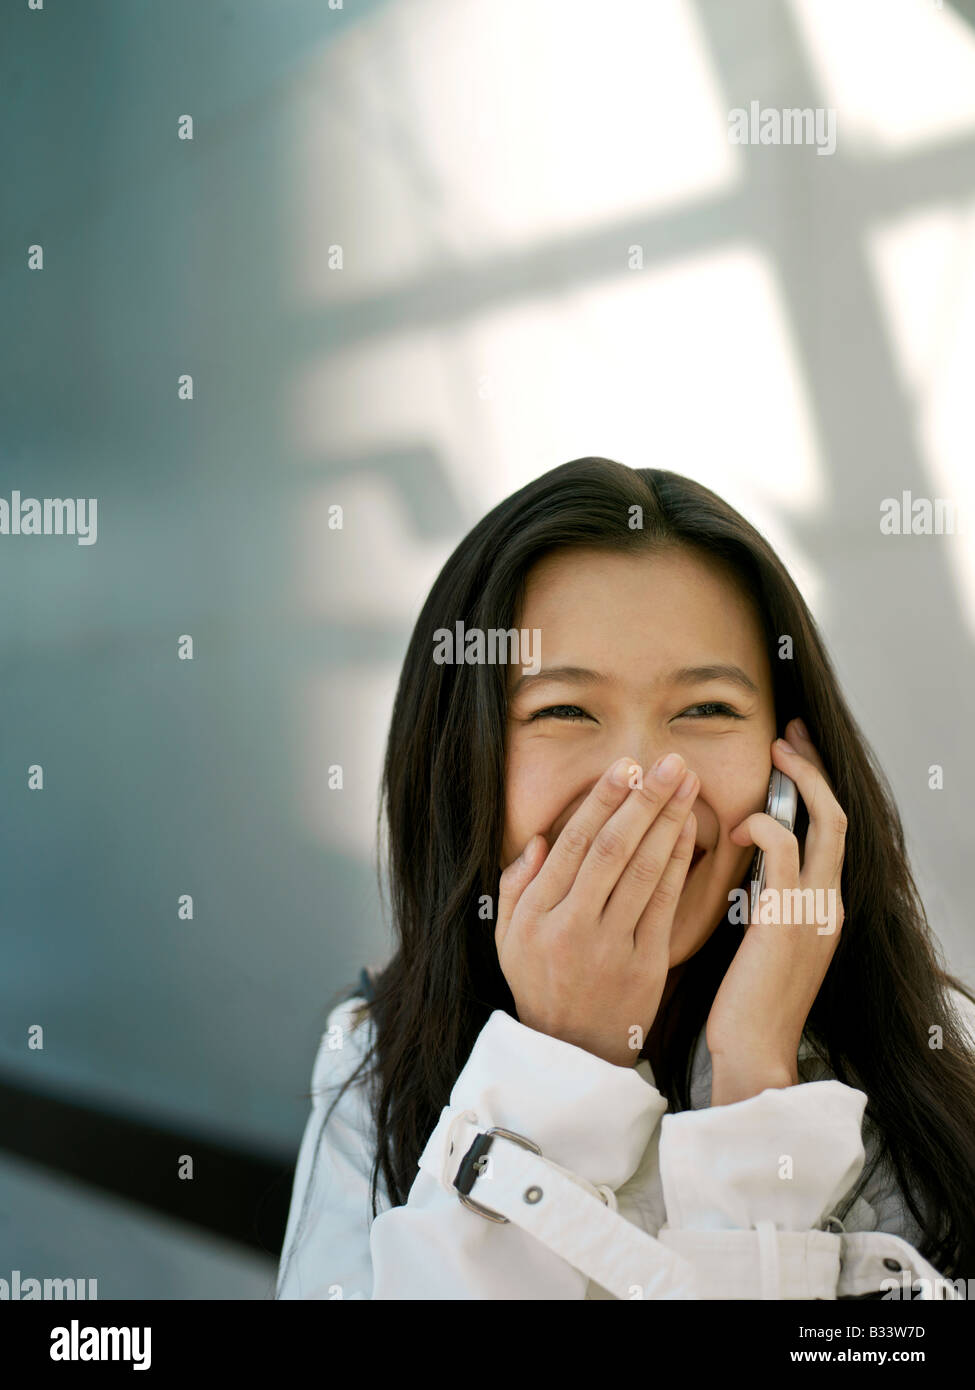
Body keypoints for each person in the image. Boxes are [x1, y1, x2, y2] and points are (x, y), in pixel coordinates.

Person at [275, 457, 975, 1300]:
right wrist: (559, 1069)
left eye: (707, 709)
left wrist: (755, 1084)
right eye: (563, 711)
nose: (642, 782)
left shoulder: (926, 1069)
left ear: (791, 773)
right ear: (464, 766)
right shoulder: (375, 1063)